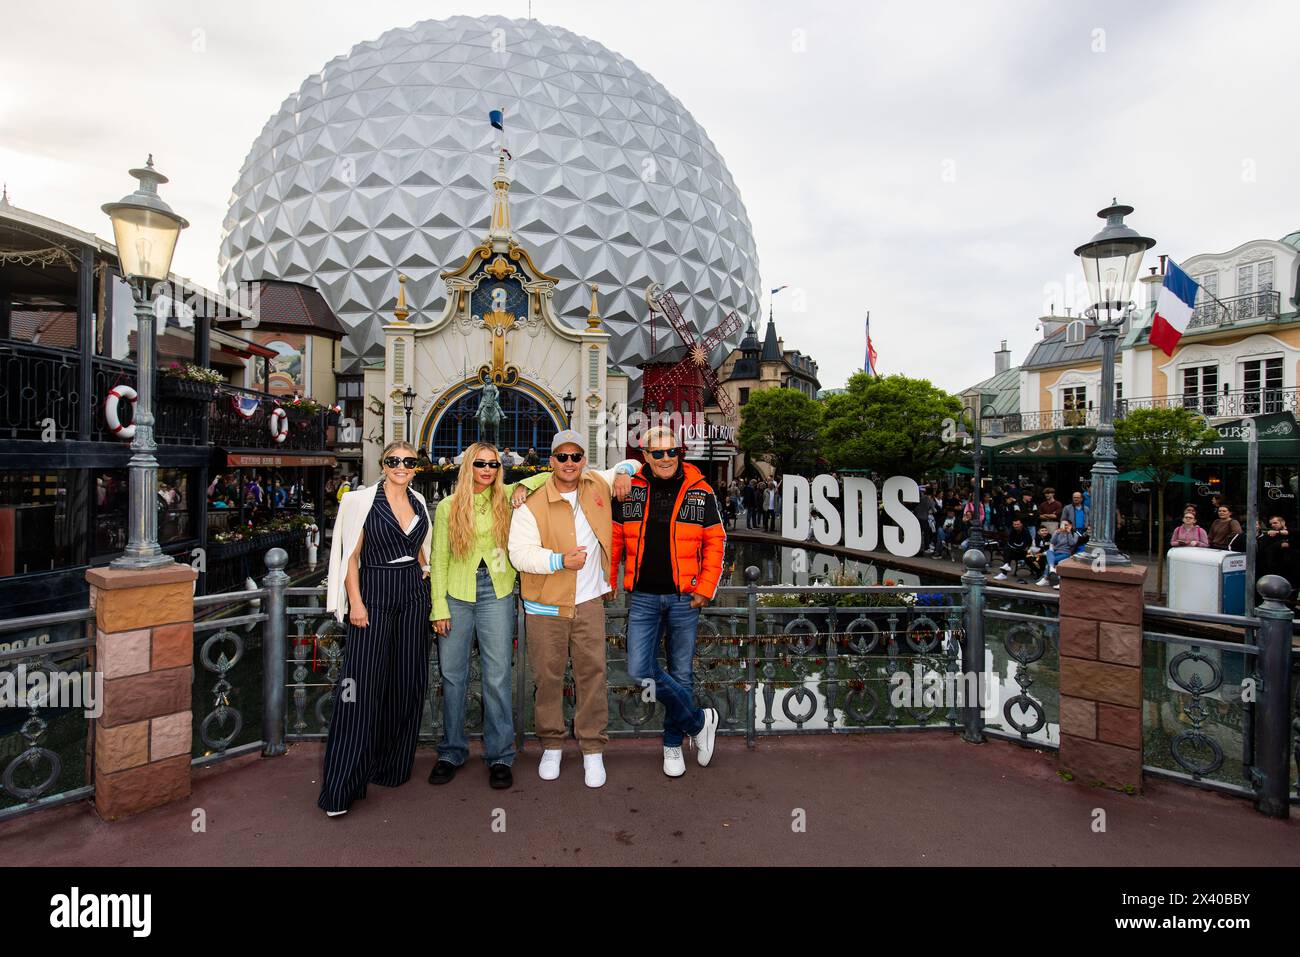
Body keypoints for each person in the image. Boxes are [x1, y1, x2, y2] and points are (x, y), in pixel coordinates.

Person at [507, 431, 637, 788]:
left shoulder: (596, 483)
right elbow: (518, 553)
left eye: (576, 456)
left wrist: (625, 468)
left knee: (592, 673)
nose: (569, 463)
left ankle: (592, 749)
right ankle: (551, 743)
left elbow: (636, 463)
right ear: (551, 462)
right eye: (561, 457)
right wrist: (558, 560)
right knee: (548, 677)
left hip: (589, 599)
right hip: (546, 603)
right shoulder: (530, 502)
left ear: (584, 461)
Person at [318, 441, 433, 817]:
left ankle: (389, 767)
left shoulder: (418, 502)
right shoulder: (360, 501)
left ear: (417, 467)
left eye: (408, 462)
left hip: (414, 595)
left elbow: (419, 548)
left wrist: (425, 571)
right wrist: (357, 602)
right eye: (393, 461)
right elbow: (350, 555)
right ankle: (341, 786)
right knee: (359, 689)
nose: (401, 466)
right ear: (383, 464)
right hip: (374, 592)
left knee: (407, 681)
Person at [426, 443, 549, 790]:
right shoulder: (449, 507)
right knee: (452, 675)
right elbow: (439, 559)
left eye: (493, 464)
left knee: (497, 676)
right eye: (480, 463)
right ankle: (452, 750)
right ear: (468, 466)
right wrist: (438, 606)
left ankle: (499, 754)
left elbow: (550, 475)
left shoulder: (507, 497)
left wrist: (524, 485)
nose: (487, 469)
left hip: (496, 591)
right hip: (456, 593)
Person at [611, 425, 724, 777]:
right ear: (644, 456)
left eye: (671, 451)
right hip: (643, 595)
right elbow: (615, 538)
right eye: (656, 453)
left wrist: (706, 587)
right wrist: (606, 578)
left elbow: (715, 542)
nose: (665, 458)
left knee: (681, 672)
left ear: (680, 452)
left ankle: (673, 744)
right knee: (638, 669)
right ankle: (698, 722)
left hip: (683, 597)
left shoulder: (701, 491)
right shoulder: (629, 488)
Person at [1036, 518, 1080, 589]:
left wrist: (1068, 532)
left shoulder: (1074, 534)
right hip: (1055, 552)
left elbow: (1072, 544)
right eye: (1063, 524)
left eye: (1066, 525)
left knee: (1051, 561)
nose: (1064, 526)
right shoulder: (1058, 532)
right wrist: (1057, 533)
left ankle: (1046, 578)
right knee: (1049, 552)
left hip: (1066, 553)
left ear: (1070, 525)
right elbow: (1052, 542)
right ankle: (1051, 569)